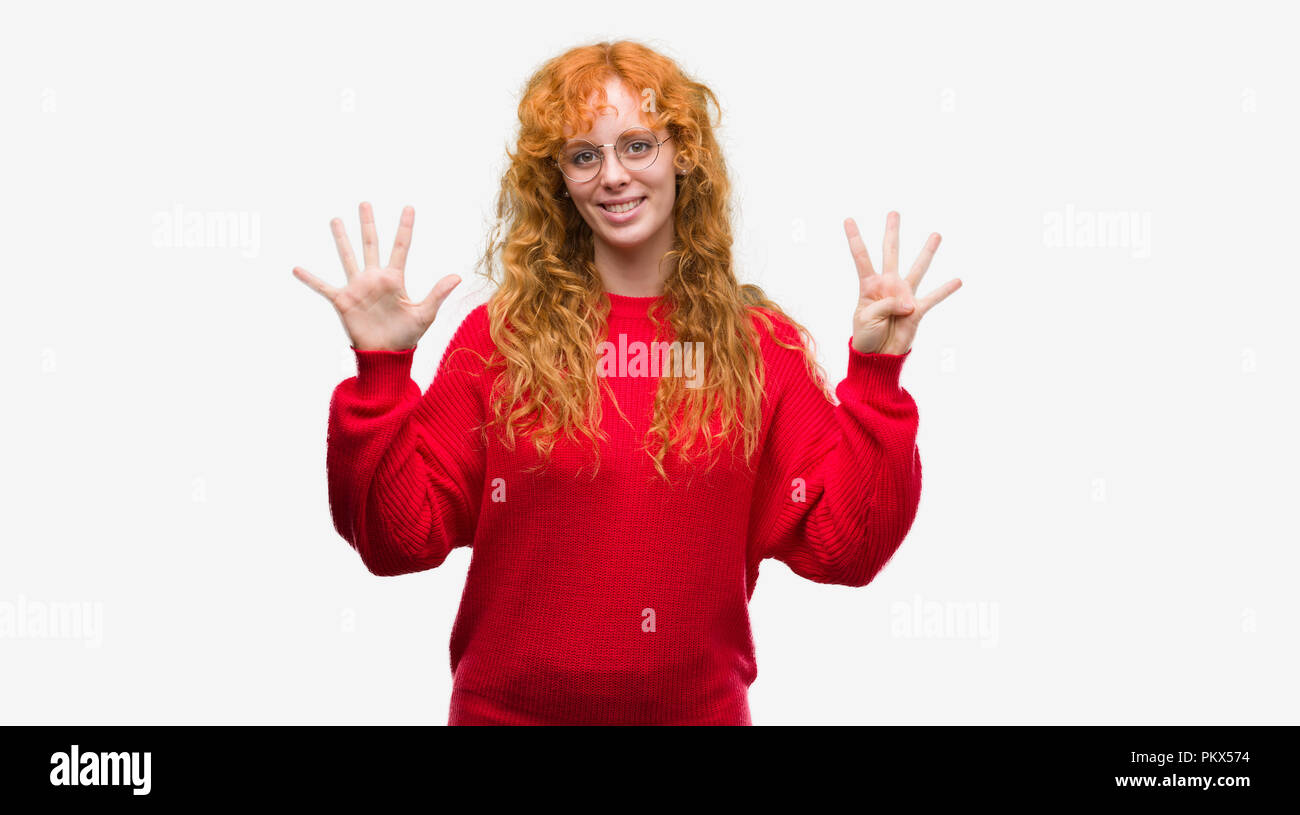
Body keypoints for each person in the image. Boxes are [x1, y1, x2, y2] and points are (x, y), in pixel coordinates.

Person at [292, 40, 961, 725]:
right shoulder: (501, 340)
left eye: (637, 146)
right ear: (558, 178)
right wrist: (380, 370)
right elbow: (394, 539)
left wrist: (877, 376)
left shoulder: (757, 347)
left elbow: (848, 545)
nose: (613, 175)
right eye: (585, 155)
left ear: (683, 155)